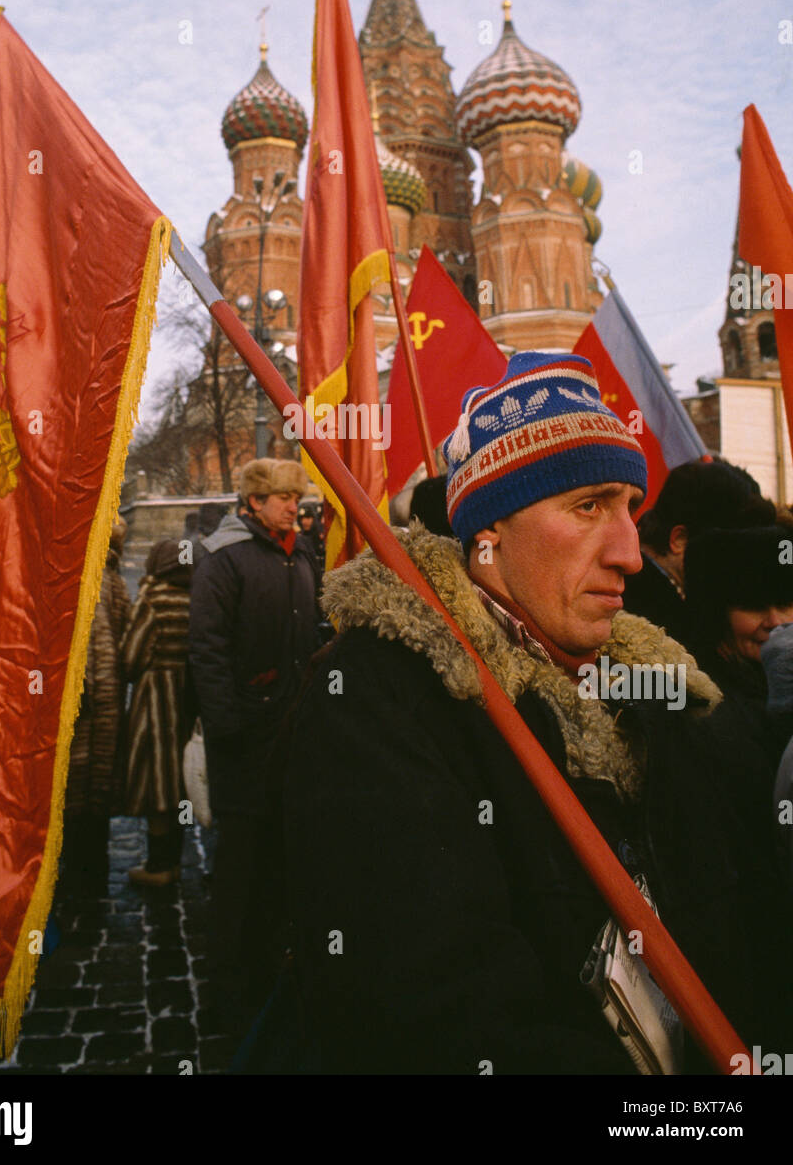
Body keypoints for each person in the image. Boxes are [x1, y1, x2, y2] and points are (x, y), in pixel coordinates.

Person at [283, 352, 793, 1075]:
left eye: (629, 509)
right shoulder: (377, 701)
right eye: (588, 506)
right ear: (490, 534)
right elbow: (437, 1023)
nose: (630, 554)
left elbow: (751, 927)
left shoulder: (662, 687)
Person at [189, 457, 319, 1033]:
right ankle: (228, 987)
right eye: (284, 498)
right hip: (244, 738)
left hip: (292, 734)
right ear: (255, 503)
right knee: (239, 866)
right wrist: (227, 727)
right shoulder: (224, 559)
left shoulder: (300, 553)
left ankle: (270, 967)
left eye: (297, 497)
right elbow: (207, 651)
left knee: (278, 858)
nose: (295, 506)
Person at [623, 460, 774, 652]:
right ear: (679, 540)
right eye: (726, 546)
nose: (737, 563)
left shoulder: (669, 601)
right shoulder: (654, 616)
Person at [683, 524, 793, 766]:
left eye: (785, 604)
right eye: (754, 607)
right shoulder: (705, 709)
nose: (775, 622)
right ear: (719, 615)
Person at [121, 537, 194, 885]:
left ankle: (158, 866)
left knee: (157, 785)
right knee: (180, 782)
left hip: (155, 701)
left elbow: (130, 657)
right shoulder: (197, 598)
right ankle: (175, 861)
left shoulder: (153, 598)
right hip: (188, 698)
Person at [63, 519, 131, 889]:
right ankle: (85, 870)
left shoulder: (109, 579)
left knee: (88, 786)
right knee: (82, 786)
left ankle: (86, 871)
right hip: (87, 701)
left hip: (98, 702)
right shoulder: (104, 579)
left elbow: (127, 634)